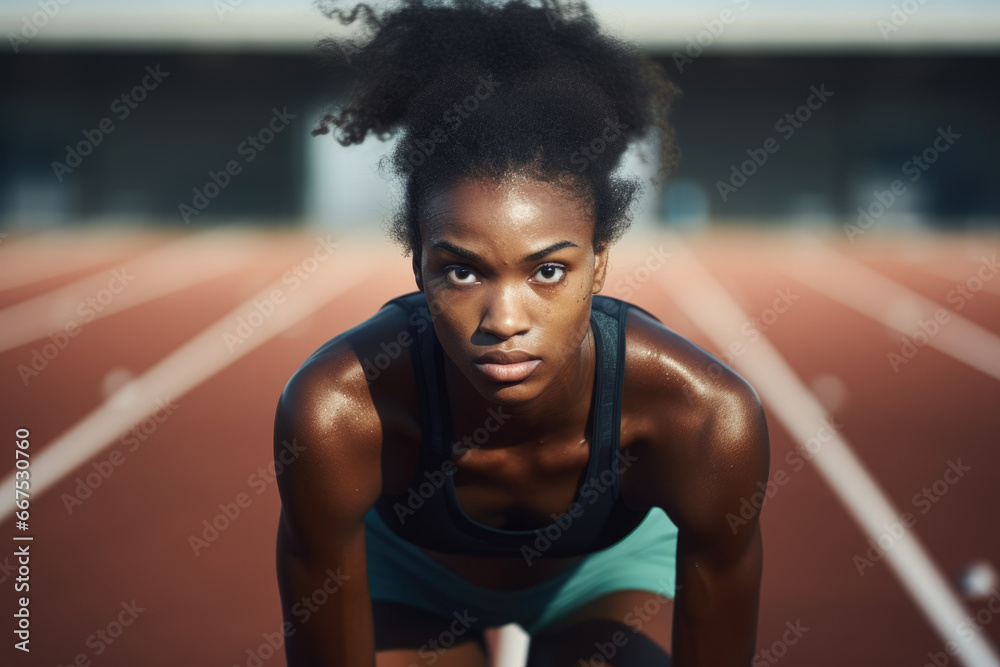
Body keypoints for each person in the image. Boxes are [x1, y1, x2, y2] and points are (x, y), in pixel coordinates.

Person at [273, 1, 770, 665]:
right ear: (416, 263)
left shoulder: (705, 418)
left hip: (599, 581)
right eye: (462, 270)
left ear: (599, 265)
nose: (504, 321)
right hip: (413, 580)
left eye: (547, 270)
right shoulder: (337, 412)